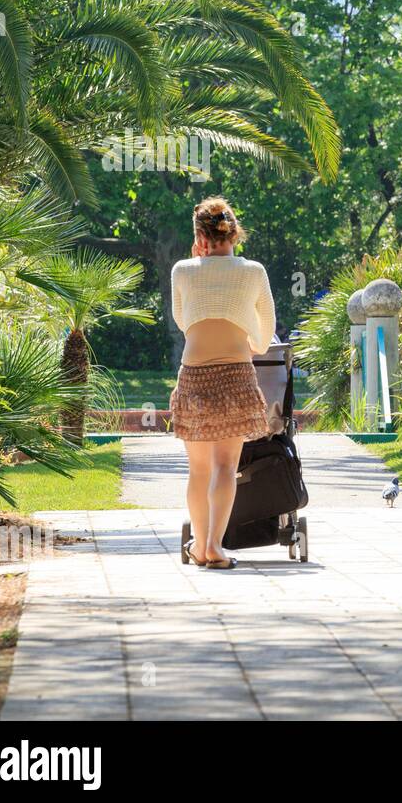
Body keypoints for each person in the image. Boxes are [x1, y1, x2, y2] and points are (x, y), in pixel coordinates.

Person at [169, 198, 276, 569]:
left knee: (198, 469)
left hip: (194, 375)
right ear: (233, 231)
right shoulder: (253, 272)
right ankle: (214, 546)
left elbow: (184, 321)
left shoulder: (182, 270)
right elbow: (264, 338)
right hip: (236, 376)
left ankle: (200, 547)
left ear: (200, 235)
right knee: (225, 467)